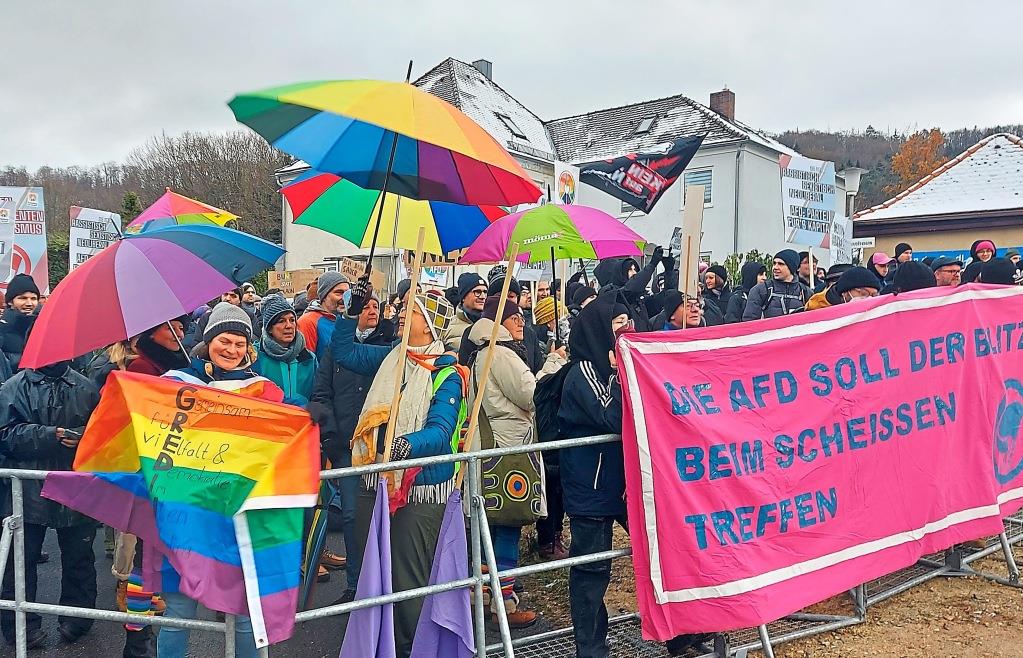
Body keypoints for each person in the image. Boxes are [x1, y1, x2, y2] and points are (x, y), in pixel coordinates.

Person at [330, 283, 465, 658]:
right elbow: (344, 353)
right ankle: (379, 645)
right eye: (404, 308)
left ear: (430, 325)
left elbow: (440, 433)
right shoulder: (393, 356)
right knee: (376, 572)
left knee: (407, 579)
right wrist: (348, 314)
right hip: (377, 478)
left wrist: (404, 446)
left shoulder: (448, 374)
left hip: (419, 489)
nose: (402, 313)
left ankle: (409, 649)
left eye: (413, 310)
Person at [158, 303, 283, 658]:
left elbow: (277, 442)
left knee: (243, 613)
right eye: (224, 341)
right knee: (179, 611)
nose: (232, 350)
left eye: (240, 343)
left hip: (240, 515)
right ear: (207, 342)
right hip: (188, 513)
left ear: (250, 348)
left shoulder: (264, 390)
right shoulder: (177, 383)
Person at [465, 295, 566, 628]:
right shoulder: (501, 353)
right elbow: (530, 395)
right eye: (513, 316)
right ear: (498, 322)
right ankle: (504, 604)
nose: (521, 321)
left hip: (492, 447)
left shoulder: (482, 353)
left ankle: (483, 597)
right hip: (509, 451)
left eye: (521, 315)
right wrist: (552, 364)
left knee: (491, 529)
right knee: (507, 524)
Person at [0, 356, 101, 648]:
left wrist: (84, 436)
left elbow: (103, 431)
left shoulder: (86, 387)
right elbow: (4, 436)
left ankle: (77, 619)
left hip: (76, 483)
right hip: (27, 488)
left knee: (80, 557)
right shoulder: (13, 387)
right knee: (20, 560)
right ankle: (22, 625)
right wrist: (48, 435)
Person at [557, 290, 631, 658]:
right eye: (618, 325)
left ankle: (680, 635)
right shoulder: (582, 373)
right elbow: (612, 417)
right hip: (591, 487)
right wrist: (620, 372)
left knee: (658, 551)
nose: (626, 332)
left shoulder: (617, 364)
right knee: (592, 571)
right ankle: (591, 648)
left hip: (623, 482)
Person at [309, 288, 395, 602]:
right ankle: (354, 585)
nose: (371, 310)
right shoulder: (335, 348)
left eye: (376, 305)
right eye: (365, 306)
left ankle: (382, 583)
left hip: (380, 447)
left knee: (381, 514)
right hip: (344, 445)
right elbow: (321, 393)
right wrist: (330, 434)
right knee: (350, 515)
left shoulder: (388, 350)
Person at [254, 294, 318, 407]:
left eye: (292, 320)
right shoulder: (257, 356)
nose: (288, 326)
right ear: (269, 328)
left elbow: (318, 393)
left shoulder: (309, 358)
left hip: (303, 421)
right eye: (281, 321)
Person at [593, 247, 664, 332]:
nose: (634, 273)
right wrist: (652, 265)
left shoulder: (638, 297)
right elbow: (629, 290)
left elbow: (662, 300)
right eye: (630, 269)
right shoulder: (611, 293)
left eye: (635, 269)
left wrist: (669, 272)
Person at [742, 250, 811, 321]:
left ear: (791, 268)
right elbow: (749, 322)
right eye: (774, 263)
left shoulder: (805, 292)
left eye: (780, 264)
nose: (775, 267)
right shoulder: (760, 290)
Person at [297, 271, 350, 361]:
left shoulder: (346, 320)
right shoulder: (308, 321)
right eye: (339, 293)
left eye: (347, 293)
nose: (344, 298)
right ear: (324, 296)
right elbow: (306, 364)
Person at [0, 274, 40, 377]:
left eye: (33, 298)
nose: (29, 303)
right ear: (10, 301)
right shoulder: (2, 331)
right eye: (23, 298)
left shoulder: (42, 330)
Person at [445, 273, 488, 352]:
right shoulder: (448, 326)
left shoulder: (493, 324)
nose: (483, 297)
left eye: (485, 292)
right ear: (463, 297)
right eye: (477, 292)